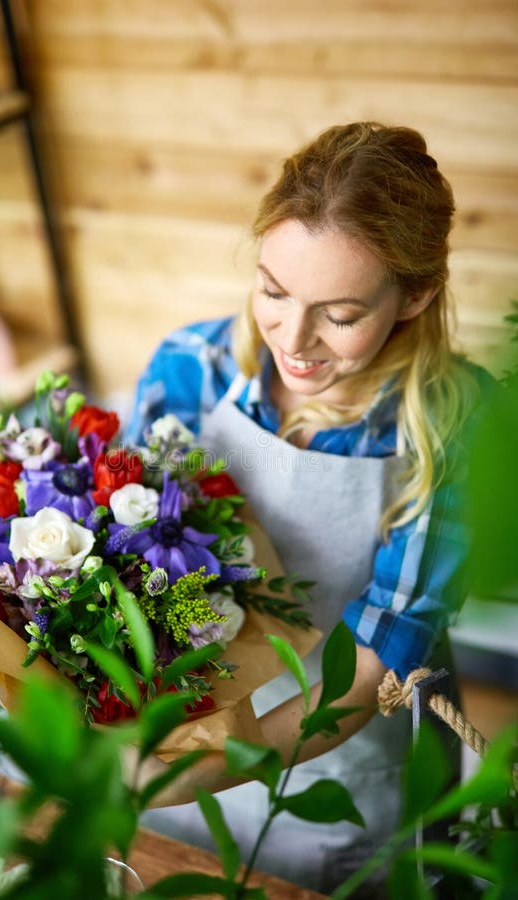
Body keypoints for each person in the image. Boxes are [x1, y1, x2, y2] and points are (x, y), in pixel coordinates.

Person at [123, 122, 496, 896]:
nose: (293, 340)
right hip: (171, 737)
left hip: (337, 767)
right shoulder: (192, 368)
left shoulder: (451, 427)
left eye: (341, 315)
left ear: (416, 295)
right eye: (273, 291)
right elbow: (121, 553)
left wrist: (207, 767)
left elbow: (374, 662)